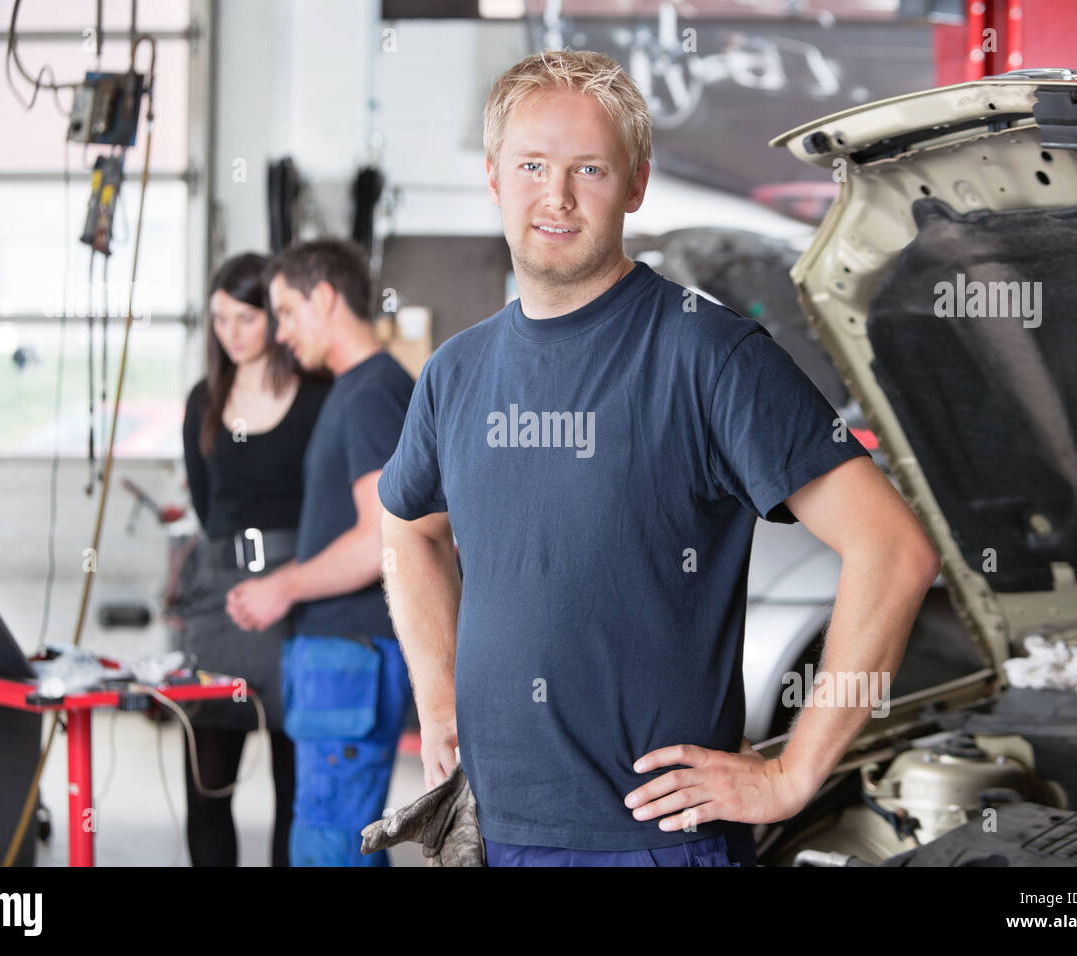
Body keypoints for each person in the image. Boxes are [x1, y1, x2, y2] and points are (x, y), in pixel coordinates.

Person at [377, 50, 941, 866]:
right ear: (495, 178)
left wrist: (792, 774)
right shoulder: (456, 373)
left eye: (589, 170)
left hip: (656, 844)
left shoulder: (710, 356)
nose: (556, 196)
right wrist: (438, 696)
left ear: (635, 184)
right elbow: (408, 528)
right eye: (532, 165)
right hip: (495, 831)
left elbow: (895, 551)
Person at [225, 238, 414, 867]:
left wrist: (283, 585)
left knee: (329, 847)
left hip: (349, 657)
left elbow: (382, 537)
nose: (280, 333)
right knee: (329, 839)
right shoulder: (359, 389)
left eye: (285, 312)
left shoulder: (368, 396)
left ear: (325, 298)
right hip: (339, 658)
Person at [179, 252, 329, 867]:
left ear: (274, 317)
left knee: (295, 790)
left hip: (298, 594)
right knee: (206, 781)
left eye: (244, 318)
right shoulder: (203, 401)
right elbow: (204, 500)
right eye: (219, 320)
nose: (231, 333)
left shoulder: (319, 396)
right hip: (220, 600)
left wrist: (289, 579)